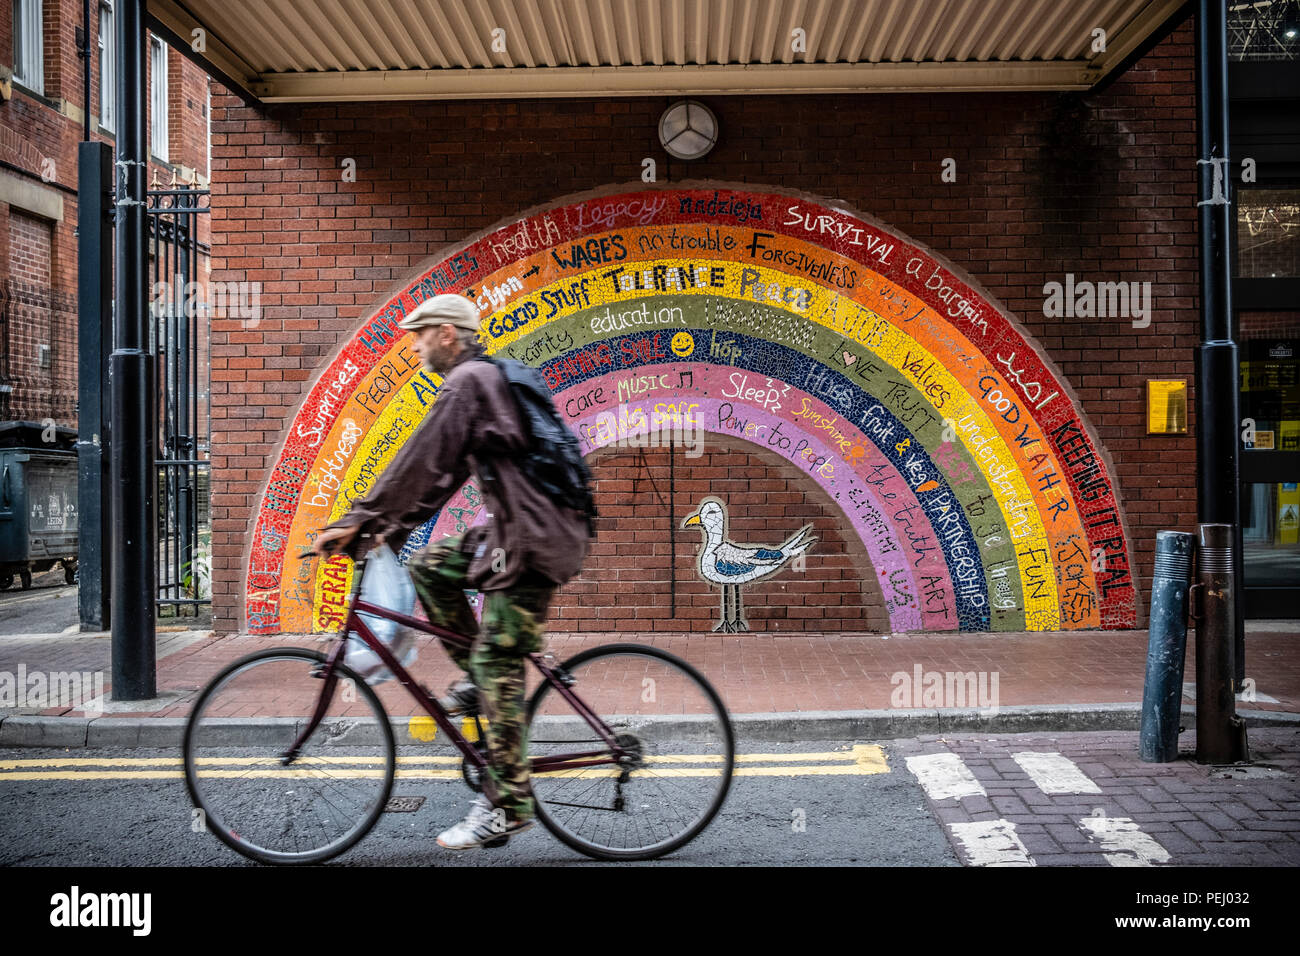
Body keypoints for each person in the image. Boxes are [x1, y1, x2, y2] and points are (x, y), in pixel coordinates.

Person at [311, 292, 590, 850]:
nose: (414, 347)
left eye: (419, 335)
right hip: (518, 530)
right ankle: (478, 681)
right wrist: (384, 529)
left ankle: (508, 806)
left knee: (498, 662)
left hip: (534, 542)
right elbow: (437, 478)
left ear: (446, 334)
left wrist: (360, 521)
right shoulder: (482, 383)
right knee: (429, 566)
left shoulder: (468, 383)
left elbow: (419, 458)